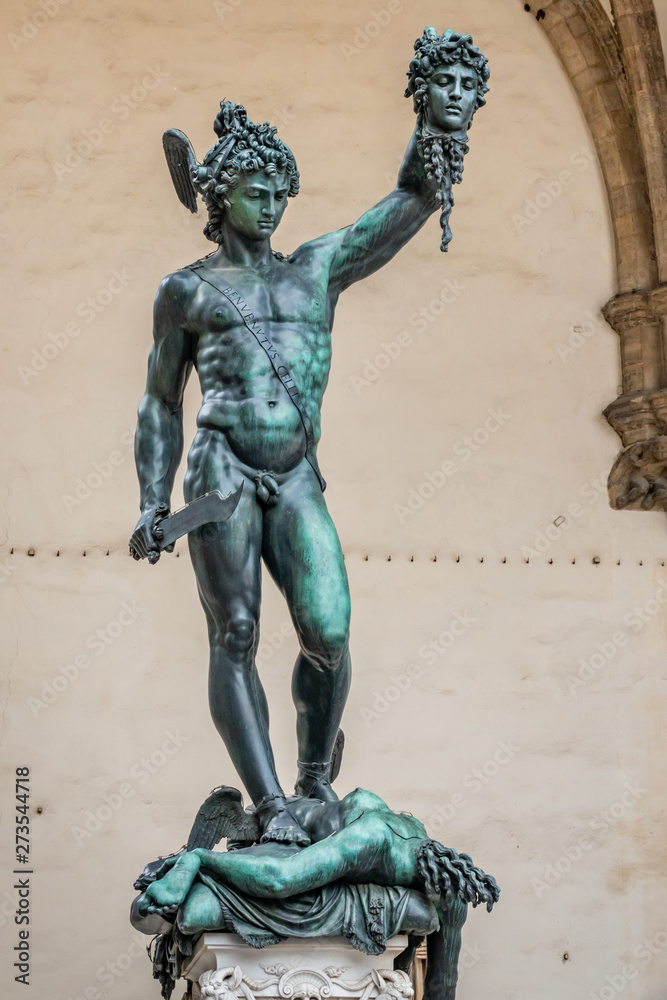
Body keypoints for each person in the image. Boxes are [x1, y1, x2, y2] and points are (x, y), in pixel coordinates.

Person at [129, 30, 490, 846]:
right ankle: (269, 808)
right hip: (221, 469)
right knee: (239, 633)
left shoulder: (315, 269)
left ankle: (313, 782)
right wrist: (153, 498)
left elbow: (404, 203)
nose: (273, 204)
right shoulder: (185, 291)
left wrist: (441, 118)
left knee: (327, 630)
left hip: (295, 473)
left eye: (280, 190)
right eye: (256, 191)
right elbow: (158, 401)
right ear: (220, 198)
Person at [130, 789, 499, 1000]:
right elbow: (280, 880)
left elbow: (443, 983)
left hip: (337, 817)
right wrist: (199, 859)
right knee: (148, 911)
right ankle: (194, 858)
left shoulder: (450, 890)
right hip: (294, 833)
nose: (426, 909)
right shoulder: (374, 842)